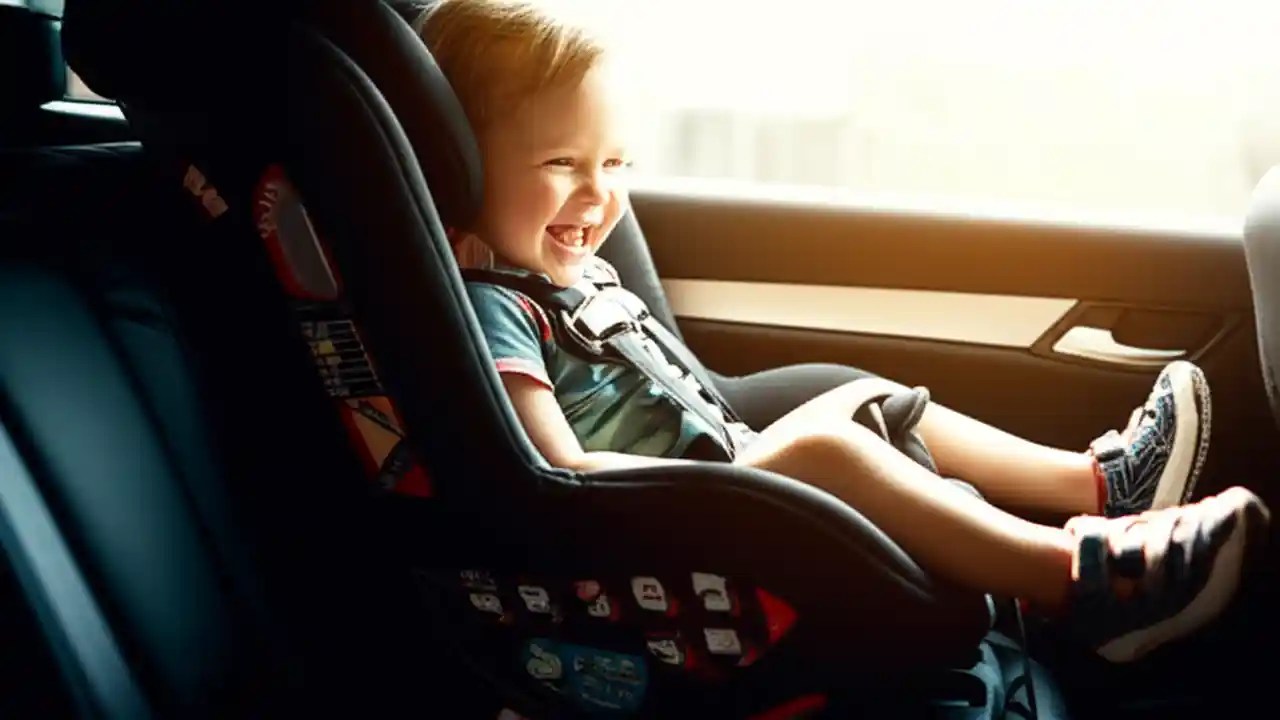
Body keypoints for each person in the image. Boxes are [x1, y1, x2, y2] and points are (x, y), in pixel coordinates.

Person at [413, 0, 1271, 663]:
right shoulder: (495, 305)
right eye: (562, 164)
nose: (598, 196)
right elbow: (556, 471)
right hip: (664, 519)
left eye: (616, 164)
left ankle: (1098, 486)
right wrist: (725, 478)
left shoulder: (571, 275)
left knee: (860, 397)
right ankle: (1083, 586)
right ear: (462, 166)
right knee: (825, 448)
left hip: (711, 470)